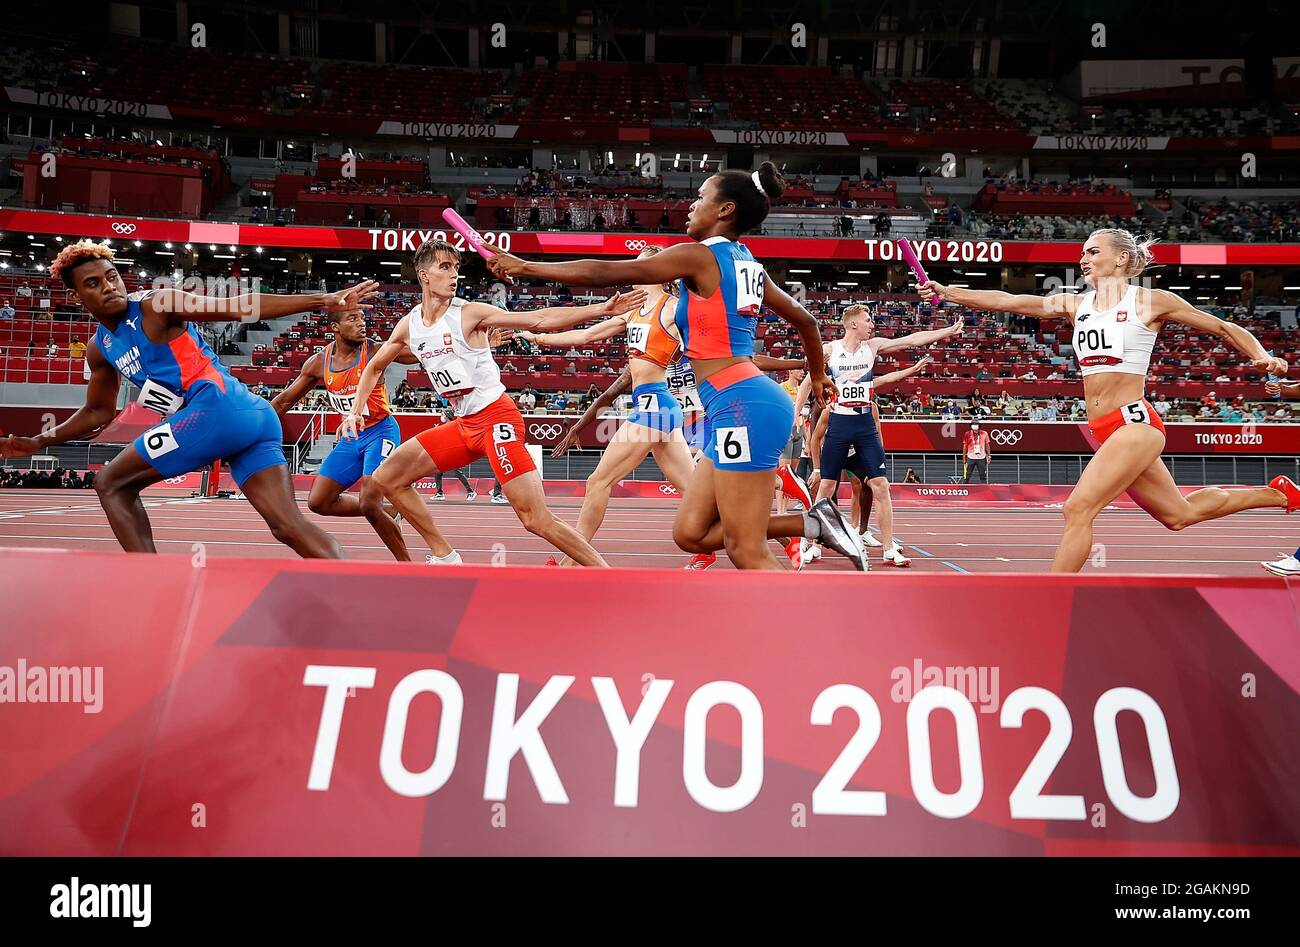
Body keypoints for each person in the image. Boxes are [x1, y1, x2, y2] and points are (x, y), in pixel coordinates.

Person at [488, 162, 864, 570]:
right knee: (690, 532)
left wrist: (527, 267)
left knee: (745, 549)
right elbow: (806, 322)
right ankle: (811, 521)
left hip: (742, 405)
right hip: (735, 402)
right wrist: (818, 374)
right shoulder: (748, 263)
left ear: (725, 210)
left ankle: (796, 628)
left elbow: (608, 271)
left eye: (700, 197)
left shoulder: (700, 256)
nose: (690, 206)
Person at [919, 227, 1297, 572]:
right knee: (1179, 515)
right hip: (1106, 429)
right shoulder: (1073, 305)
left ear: (1120, 259)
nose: (1083, 259)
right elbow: (1009, 301)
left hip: (1135, 425)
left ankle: (1048, 600)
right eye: (1082, 252)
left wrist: (1262, 357)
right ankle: (1279, 494)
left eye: (1093, 251)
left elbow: (1223, 327)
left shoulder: (1149, 301)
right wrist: (947, 292)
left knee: (1077, 508)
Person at [1, 239, 375, 557]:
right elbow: (98, 411)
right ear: (75, 295)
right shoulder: (101, 349)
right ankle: (351, 584)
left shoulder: (156, 305)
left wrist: (321, 300)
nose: (109, 287)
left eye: (112, 277)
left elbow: (238, 305)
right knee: (288, 527)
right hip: (250, 418)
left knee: (112, 483)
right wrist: (41, 440)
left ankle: (153, 585)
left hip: (218, 409)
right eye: (94, 283)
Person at [340, 238, 646, 566]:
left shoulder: (469, 314)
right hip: (464, 424)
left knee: (535, 519)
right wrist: (355, 411)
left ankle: (603, 571)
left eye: (457, 267)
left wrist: (600, 309)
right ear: (424, 276)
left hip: (497, 418)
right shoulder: (410, 325)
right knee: (388, 478)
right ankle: (445, 555)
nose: (454, 274)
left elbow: (538, 320)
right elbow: (374, 366)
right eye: (445, 267)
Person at [796, 304, 961, 567]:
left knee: (881, 486)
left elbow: (909, 340)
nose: (872, 324)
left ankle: (888, 548)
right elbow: (808, 381)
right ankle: (813, 544)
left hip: (864, 425)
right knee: (826, 486)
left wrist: (946, 331)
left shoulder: (872, 347)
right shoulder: (830, 351)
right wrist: (797, 413)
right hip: (838, 422)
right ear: (853, 324)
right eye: (868, 320)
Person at [269, 307, 412, 560]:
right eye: (353, 319)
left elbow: (417, 355)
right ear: (335, 327)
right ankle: (388, 510)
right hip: (351, 437)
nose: (362, 323)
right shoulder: (318, 363)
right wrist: (254, 423)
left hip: (381, 431)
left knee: (369, 502)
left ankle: (408, 567)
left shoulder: (375, 350)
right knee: (319, 502)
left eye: (363, 318)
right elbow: (284, 402)